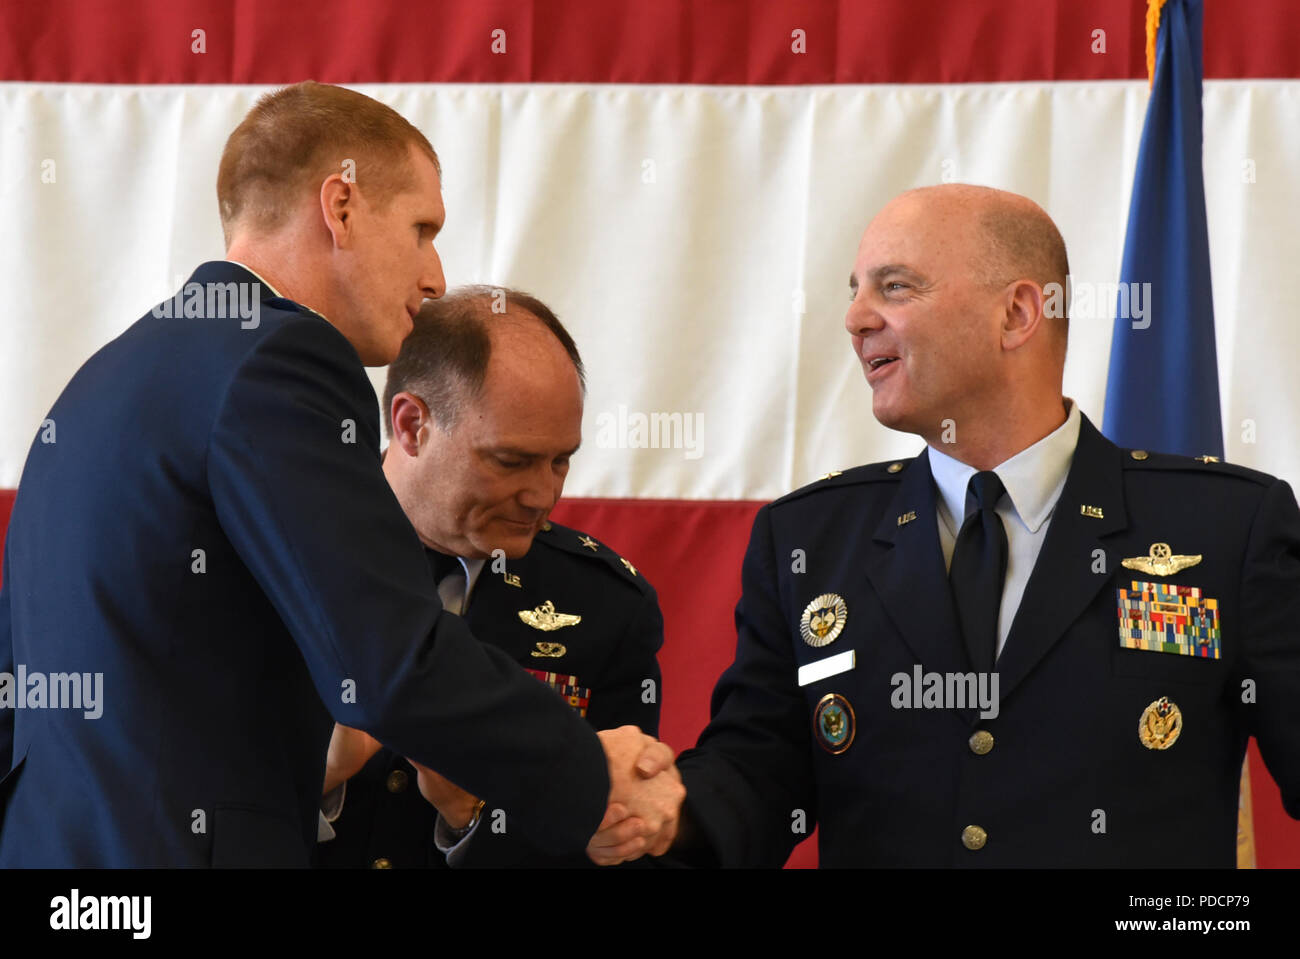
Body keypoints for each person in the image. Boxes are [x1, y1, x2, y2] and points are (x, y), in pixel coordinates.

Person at [0, 81, 681, 867]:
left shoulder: (102, 381)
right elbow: (387, 663)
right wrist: (588, 773)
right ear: (342, 205)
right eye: (423, 228)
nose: (435, 277)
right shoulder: (278, 361)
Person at [665, 183, 1300, 867]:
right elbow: (754, 775)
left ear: (1018, 312)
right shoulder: (808, 542)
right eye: (855, 291)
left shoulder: (1226, 530)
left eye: (895, 286)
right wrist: (656, 813)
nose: (854, 317)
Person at [315, 287, 664, 868]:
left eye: (561, 460)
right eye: (511, 460)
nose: (543, 495)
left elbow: (616, 853)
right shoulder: (279, 553)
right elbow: (168, 805)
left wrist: (474, 819)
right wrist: (316, 778)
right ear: (411, 425)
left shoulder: (604, 605)